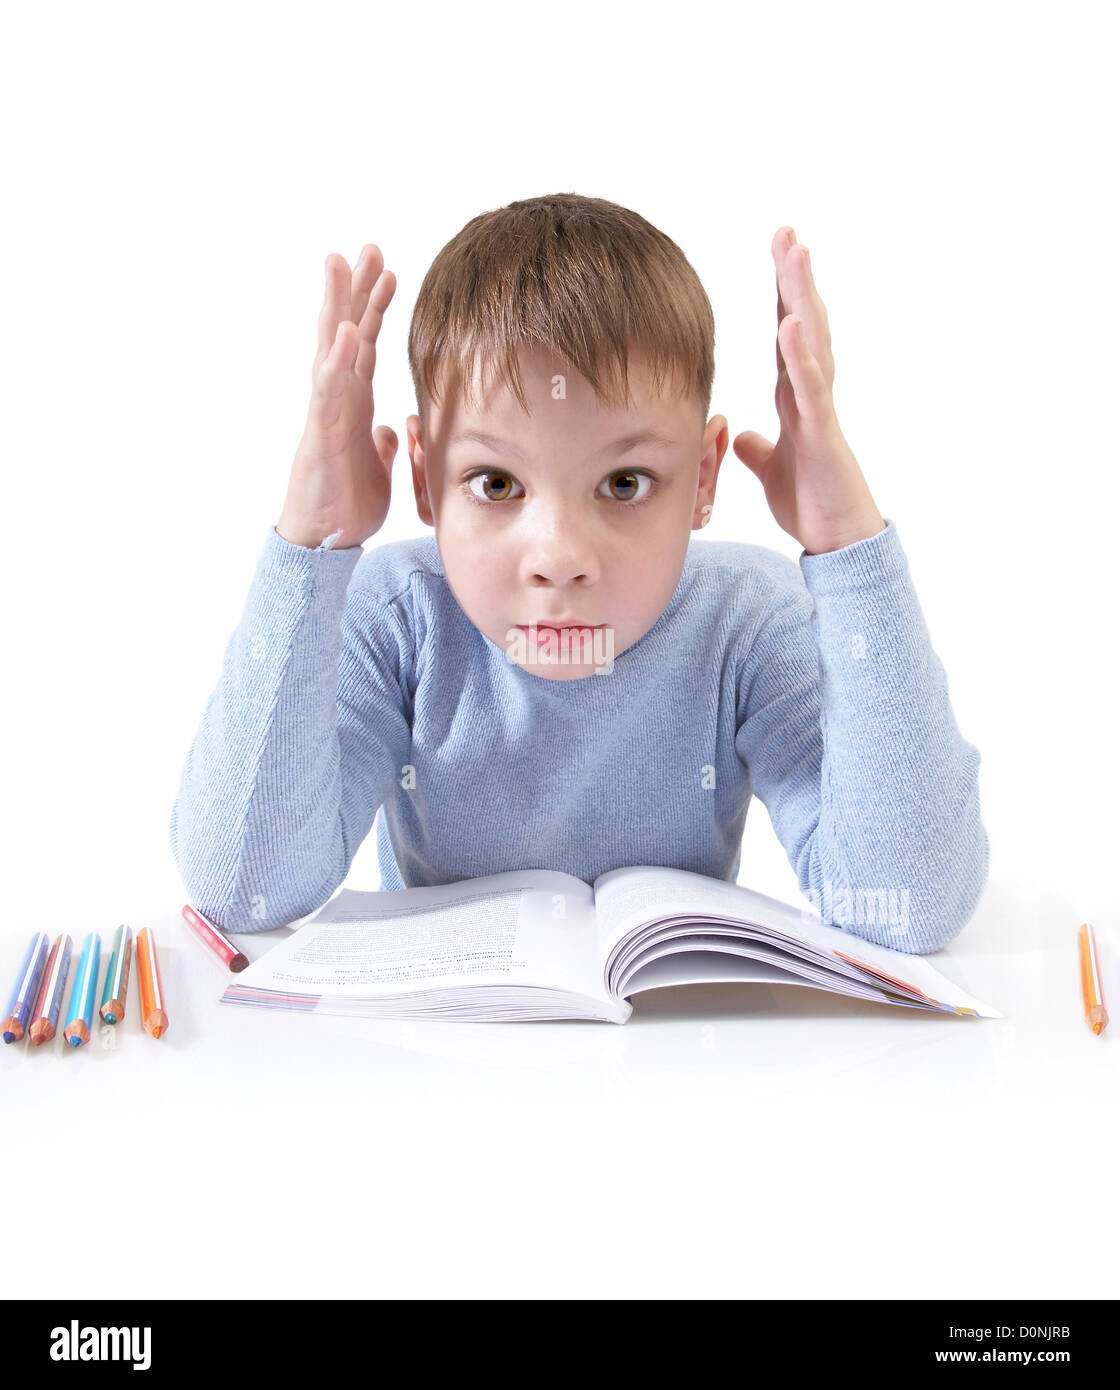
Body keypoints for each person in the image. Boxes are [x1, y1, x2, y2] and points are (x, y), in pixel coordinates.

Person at [169, 193, 988, 952]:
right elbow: (244, 889)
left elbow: (908, 903)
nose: (560, 558)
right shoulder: (397, 614)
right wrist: (311, 548)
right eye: (495, 484)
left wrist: (849, 547)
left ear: (704, 480)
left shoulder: (748, 621)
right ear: (423, 479)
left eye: (624, 484)